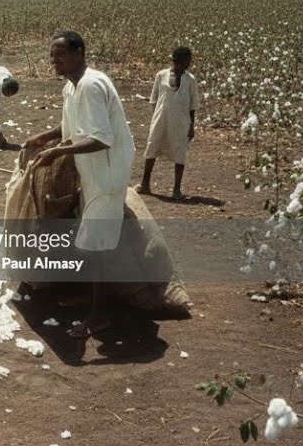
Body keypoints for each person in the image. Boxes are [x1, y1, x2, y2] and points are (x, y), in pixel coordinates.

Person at [26, 31, 134, 341]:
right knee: (88, 237)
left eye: (59, 54)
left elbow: (102, 138)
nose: (54, 60)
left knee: (95, 244)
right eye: (51, 55)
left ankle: (99, 316)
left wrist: (57, 153)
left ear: (79, 53)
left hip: (107, 175)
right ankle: (91, 295)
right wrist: (43, 138)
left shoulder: (91, 85)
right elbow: (71, 128)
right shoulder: (71, 88)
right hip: (91, 174)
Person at [138, 47, 200, 199]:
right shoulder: (161, 75)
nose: (188, 63)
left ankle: (176, 190)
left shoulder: (190, 80)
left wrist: (191, 126)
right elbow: (154, 100)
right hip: (161, 119)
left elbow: (193, 106)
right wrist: (156, 118)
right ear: (177, 61)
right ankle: (145, 184)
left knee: (180, 152)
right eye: (186, 60)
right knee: (152, 146)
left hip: (181, 122)